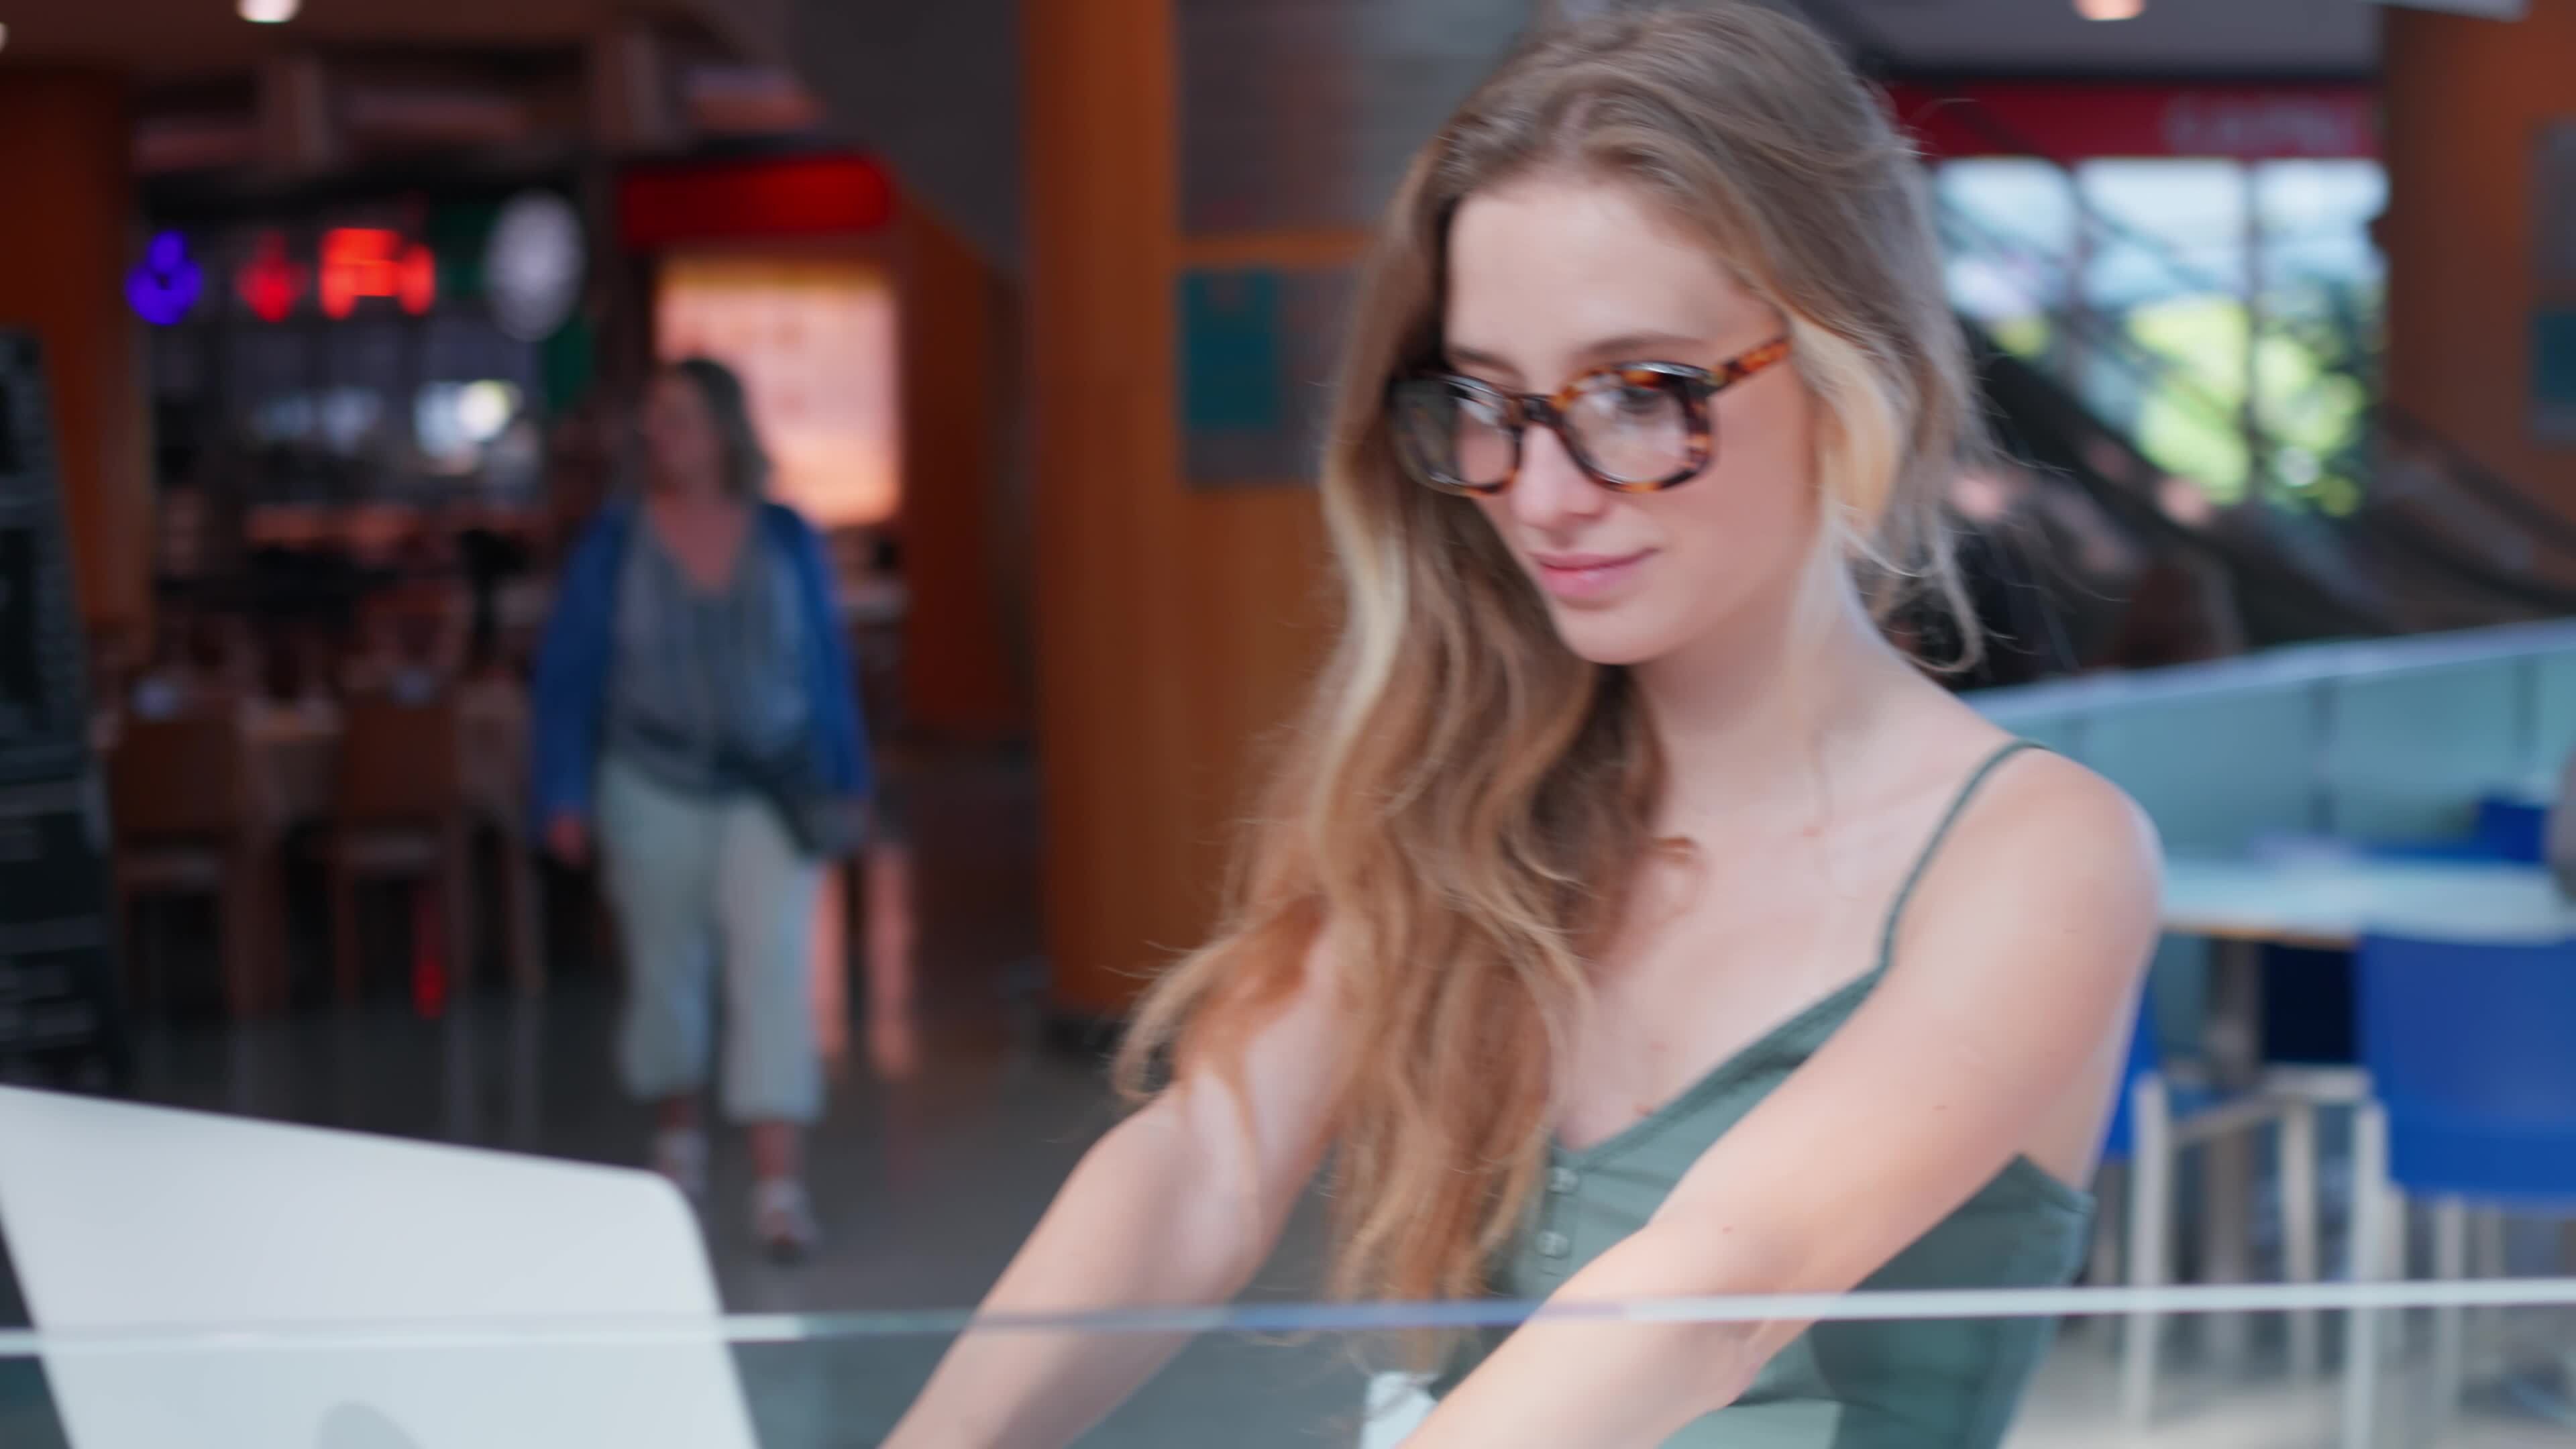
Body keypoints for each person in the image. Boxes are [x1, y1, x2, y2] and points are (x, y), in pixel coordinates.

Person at [885, 6, 2160, 1446]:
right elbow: (1206, 1165)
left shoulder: (2041, 849)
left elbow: (1717, 1293)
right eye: (1487, 402)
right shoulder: (1482, 792)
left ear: (1840, 366)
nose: (1541, 497)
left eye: (1637, 393)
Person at [531, 357, 871, 1260]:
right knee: (664, 968)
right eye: (652, 420)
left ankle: (778, 1191)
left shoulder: (786, 536)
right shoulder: (616, 542)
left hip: (772, 785)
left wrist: (848, 780)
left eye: (676, 417)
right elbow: (571, 678)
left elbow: (825, 669)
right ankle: (676, 1150)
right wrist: (563, 791)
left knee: (773, 971)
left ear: (723, 428)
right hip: (651, 779)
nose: (659, 435)